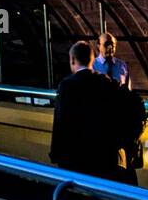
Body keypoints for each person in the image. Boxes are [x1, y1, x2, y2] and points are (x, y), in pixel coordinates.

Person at [50, 39, 123, 179]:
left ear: (72, 60)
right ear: (92, 59)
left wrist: (56, 154)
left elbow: (61, 122)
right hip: (103, 155)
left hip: (75, 157)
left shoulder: (67, 86)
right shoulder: (106, 82)